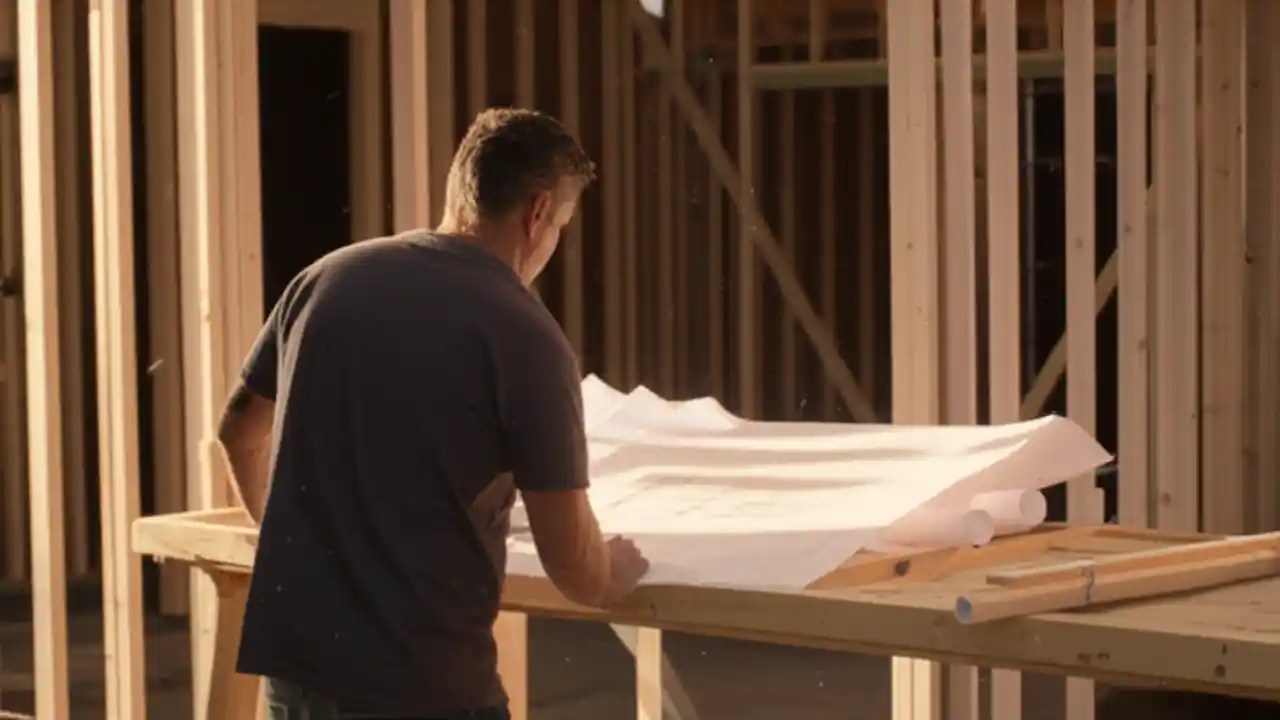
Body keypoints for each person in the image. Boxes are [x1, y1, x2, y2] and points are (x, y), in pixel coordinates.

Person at [215, 107, 651, 720]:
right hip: (421, 681)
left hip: (297, 672)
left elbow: (238, 432)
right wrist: (611, 573)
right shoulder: (524, 334)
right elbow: (573, 565)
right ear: (535, 213)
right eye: (562, 225)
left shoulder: (326, 279)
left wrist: (290, 538)